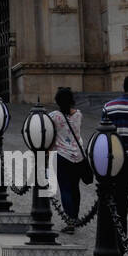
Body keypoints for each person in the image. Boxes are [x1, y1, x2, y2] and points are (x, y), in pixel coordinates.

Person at [104, 73, 128, 238]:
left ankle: (120, 244)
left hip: (119, 162)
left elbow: (104, 136)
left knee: (119, 204)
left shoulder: (109, 107)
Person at [50, 87, 84, 233]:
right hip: (78, 155)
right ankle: (75, 216)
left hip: (62, 155)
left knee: (65, 188)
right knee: (75, 188)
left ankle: (69, 221)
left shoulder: (53, 116)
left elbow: (49, 135)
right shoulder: (78, 115)